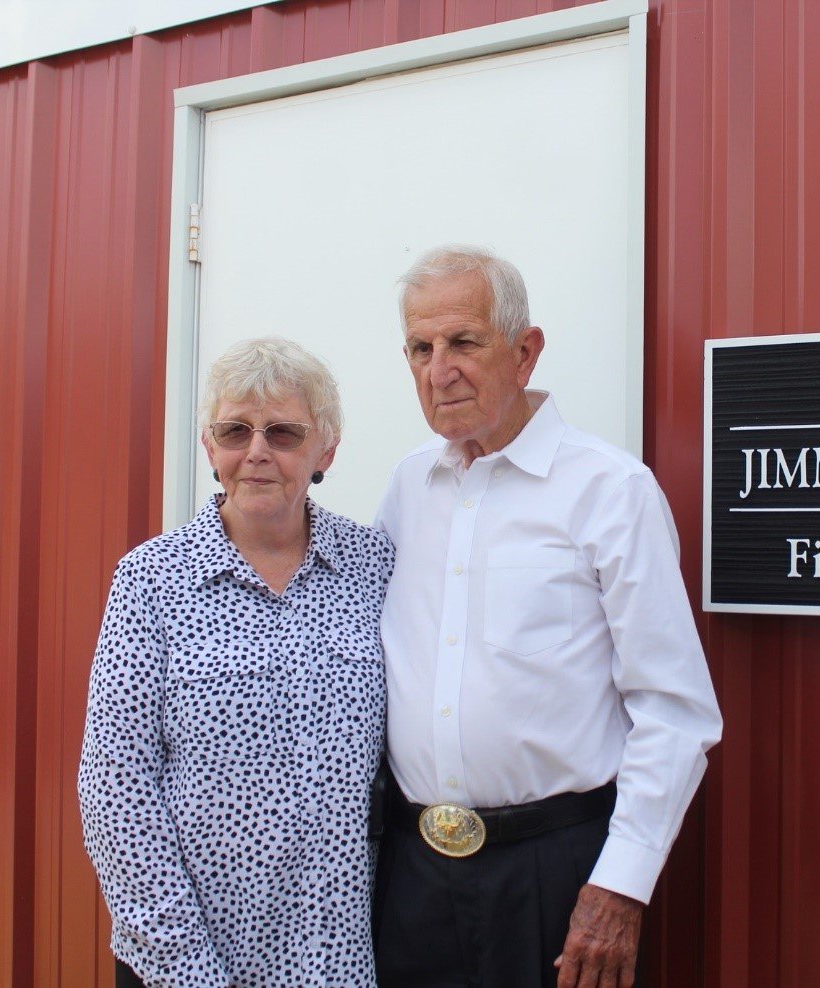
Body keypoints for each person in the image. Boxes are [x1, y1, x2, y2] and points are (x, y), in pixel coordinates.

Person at [373, 245, 722, 988]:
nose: (440, 371)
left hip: (555, 874)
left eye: (463, 342)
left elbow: (674, 709)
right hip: (411, 877)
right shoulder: (407, 488)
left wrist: (620, 886)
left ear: (525, 351)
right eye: (420, 349)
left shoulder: (611, 490)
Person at [79, 338, 394, 988]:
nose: (256, 451)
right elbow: (116, 785)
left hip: (340, 954)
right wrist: (185, 966)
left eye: (283, 433)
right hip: (188, 956)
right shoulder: (152, 580)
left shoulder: (374, 567)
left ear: (326, 451)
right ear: (209, 446)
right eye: (235, 431)